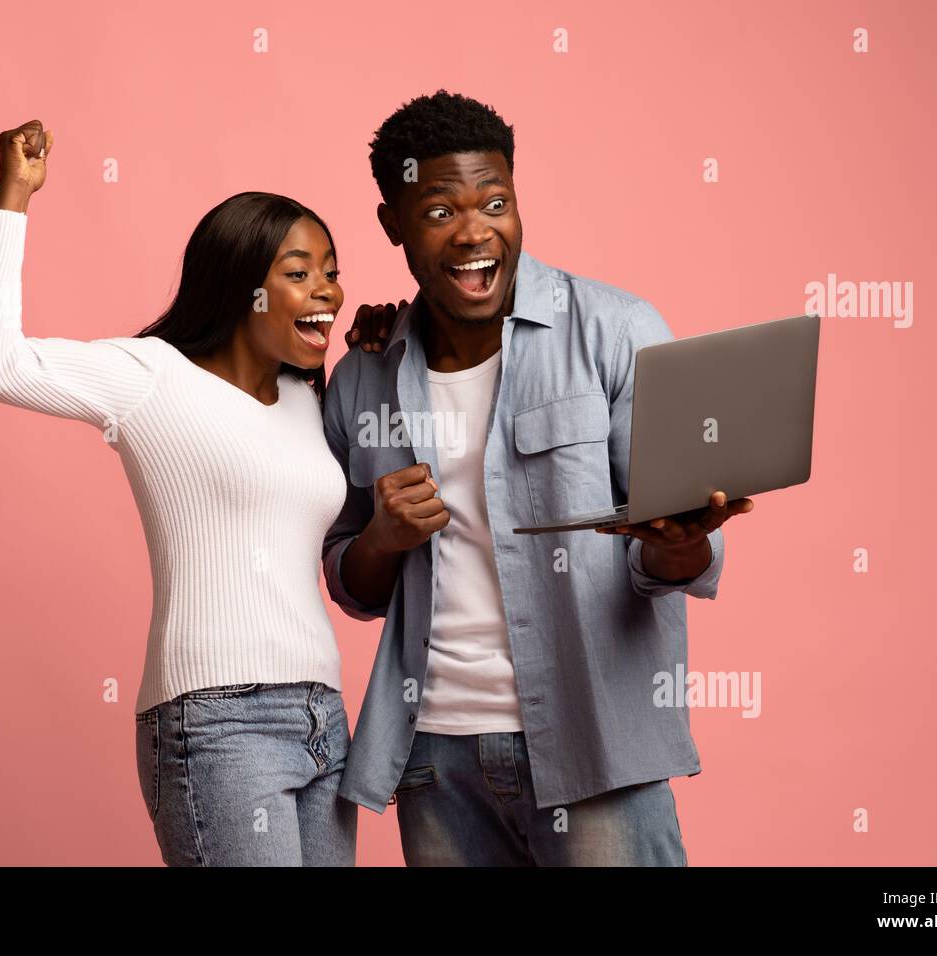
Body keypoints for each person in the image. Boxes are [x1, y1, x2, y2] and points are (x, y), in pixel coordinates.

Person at [322, 91, 755, 866]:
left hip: (594, 745)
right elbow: (351, 582)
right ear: (392, 224)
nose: (475, 233)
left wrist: (681, 544)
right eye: (439, 211)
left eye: (495, 202)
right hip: (433, 757)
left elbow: (672, 562)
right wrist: (383, 540)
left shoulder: (616, 331)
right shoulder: (364, 376)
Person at [0, 119, 356, 866]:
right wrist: (14, 197)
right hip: (216, 723)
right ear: (244, 286)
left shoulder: (311, 396)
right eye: (301, 272)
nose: (327, 290)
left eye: (332, 271)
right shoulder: (152, 376)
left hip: (323, 717)